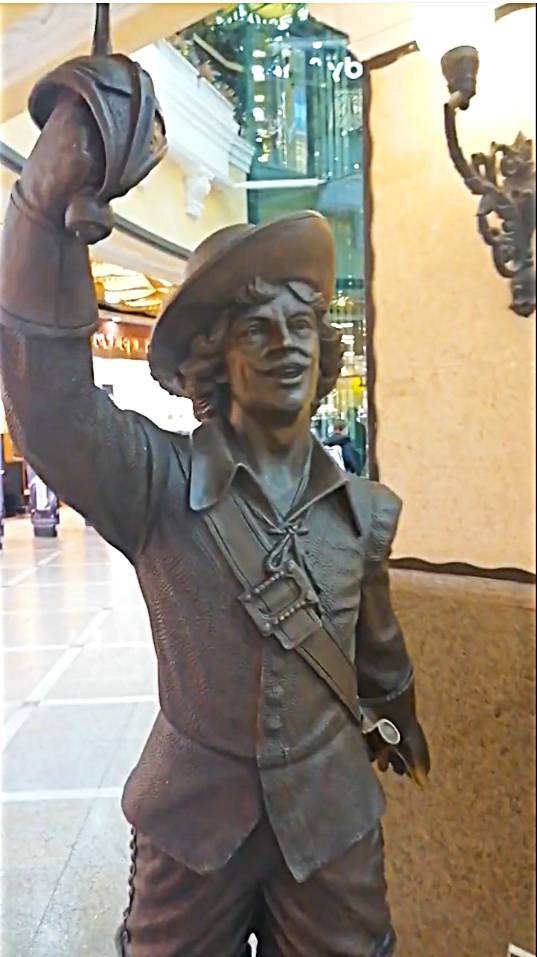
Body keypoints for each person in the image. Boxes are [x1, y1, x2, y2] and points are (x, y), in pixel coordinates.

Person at [0, 70, 430, 957]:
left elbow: (376, 645)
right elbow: (53, 410)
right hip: (191, 824)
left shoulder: (364, 512)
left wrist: (397, 711)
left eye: (301, 330)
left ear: (325, 356)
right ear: (212, 358)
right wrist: (41, 214)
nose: (285, 347)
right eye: (255, 331)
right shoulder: (154, 483)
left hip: (331, 821)